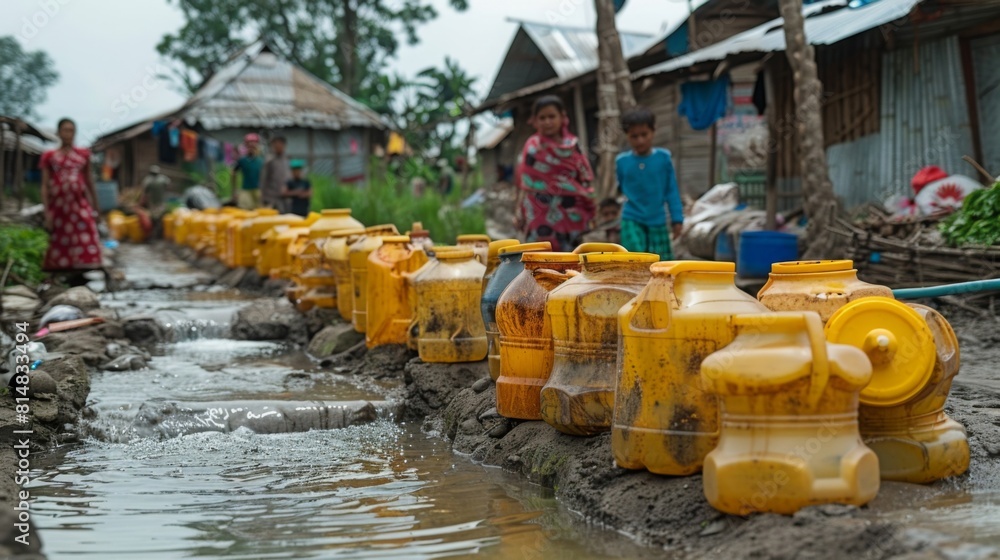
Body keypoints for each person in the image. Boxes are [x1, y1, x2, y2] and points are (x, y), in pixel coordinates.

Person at [514, 95, 596, 251]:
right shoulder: (532, 147)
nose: (547, 122)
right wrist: (518, 211)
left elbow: (585, 179)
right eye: (542, 118)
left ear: (562, 117)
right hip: (538, 211)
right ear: (535, 121)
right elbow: (523, 183)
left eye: (551, 116)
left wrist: (590, 206)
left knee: (572, 260)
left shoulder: (573, 146)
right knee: (540, 258)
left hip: (570, 211)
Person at [39, 118, 102, 284]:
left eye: (71, 130)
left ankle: (80, 271)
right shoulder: (50, 156)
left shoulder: (82, 155)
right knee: (60, 238)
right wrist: (47, 213)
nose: (68, 134)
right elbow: (45, 185)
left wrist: (96, 207)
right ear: (59, 133)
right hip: (58, 207)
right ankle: (61, 272)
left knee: (84, 231)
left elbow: (89, 182)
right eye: (65, 130)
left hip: (78, 204)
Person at [616, 107, 684, 259]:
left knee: (660, 265)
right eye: (634, 136)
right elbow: (621, 187)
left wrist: (677, 219)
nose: (640, 140)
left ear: (653, 131)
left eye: (644, 134)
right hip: (631, 219)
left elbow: (671, 190)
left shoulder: (663, 158)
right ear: (627, 136)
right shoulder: (622, 162)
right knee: (635, 260)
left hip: (657, 219)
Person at [231, 133, 264, 210]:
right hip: (246, 190)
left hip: (258, 190)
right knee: (244, 210)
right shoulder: (242, 160)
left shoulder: (261, 161)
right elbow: (233, 173)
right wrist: (234, 191)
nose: (251, 146)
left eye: (254, 143)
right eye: (249, 144)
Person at [260, 135, 290, 211]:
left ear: (284, 145)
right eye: (275, 144)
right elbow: (264, 179)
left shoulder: (287, 159)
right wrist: (263, 197)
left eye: (280, 144)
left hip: (285, 195)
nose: (277, 146)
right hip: (272, 197)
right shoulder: (270, 161)